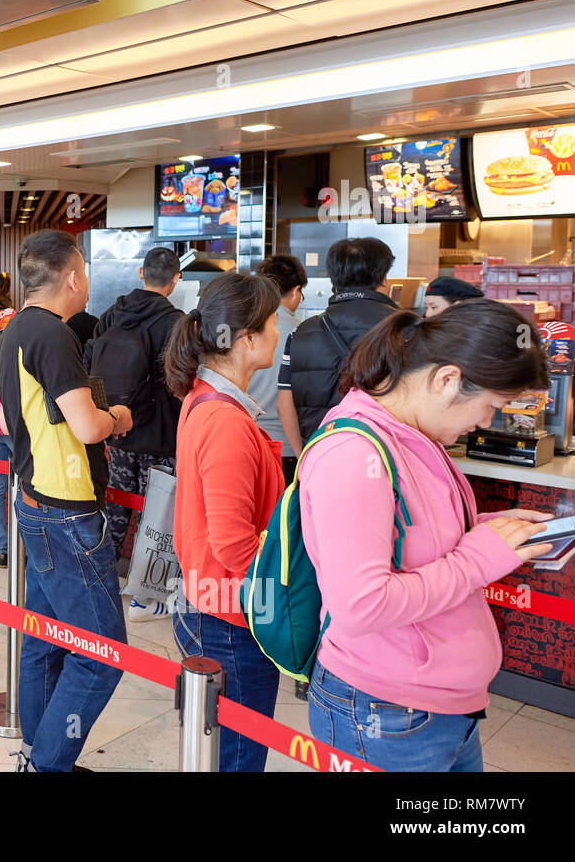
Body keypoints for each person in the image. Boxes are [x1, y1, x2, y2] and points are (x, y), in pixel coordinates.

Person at [301, 300, 552, 772]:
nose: (484, 423)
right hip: (386, 713)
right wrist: (479, 559)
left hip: (440, 708)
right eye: (491, 407)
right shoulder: (356, 454)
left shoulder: (414, 438)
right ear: (446, 380)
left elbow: (416, 539)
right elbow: (361, 605)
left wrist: (490, 534)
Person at [0, 230, 133, 773]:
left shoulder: (13, 332)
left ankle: (37, 750)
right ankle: (49, 762)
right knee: (102, 653)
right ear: (72, 277)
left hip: (33, 499)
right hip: (69, 509)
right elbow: (88, 425)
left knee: (47, 639)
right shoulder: (52, 335)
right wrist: (118, 416)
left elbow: (10, 422)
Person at [166, 270, 285, 772]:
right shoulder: (226, 422)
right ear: (247, 339)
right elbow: (236, 547)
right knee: (238, 758)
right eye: (275, 320)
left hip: (211, 605)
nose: (281, 330)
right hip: (230, 620)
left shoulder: (206, 400)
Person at [86, 246, 184, 618]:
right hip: (162, 437)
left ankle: (101, 585)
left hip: (119, 431)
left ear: (140, 273)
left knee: (115, 508)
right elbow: (182, 381)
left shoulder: (111, 314)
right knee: (155, 515)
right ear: (175, 279)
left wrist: (108, 414)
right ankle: (146, 598)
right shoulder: (177, 323)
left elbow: (89, 367)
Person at [277, 237, 397, 455]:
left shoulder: (300, 333)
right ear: (383, 279)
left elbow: (284, 406)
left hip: (321, 460)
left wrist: (304, 458)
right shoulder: (409, 329)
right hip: (388, 462)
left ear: (334, 278)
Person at [249, 254, 308, 483]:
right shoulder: (302, 333)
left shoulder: (244, 327)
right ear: (295, 291)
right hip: (285, 447)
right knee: (283, 517)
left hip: (248, 440)